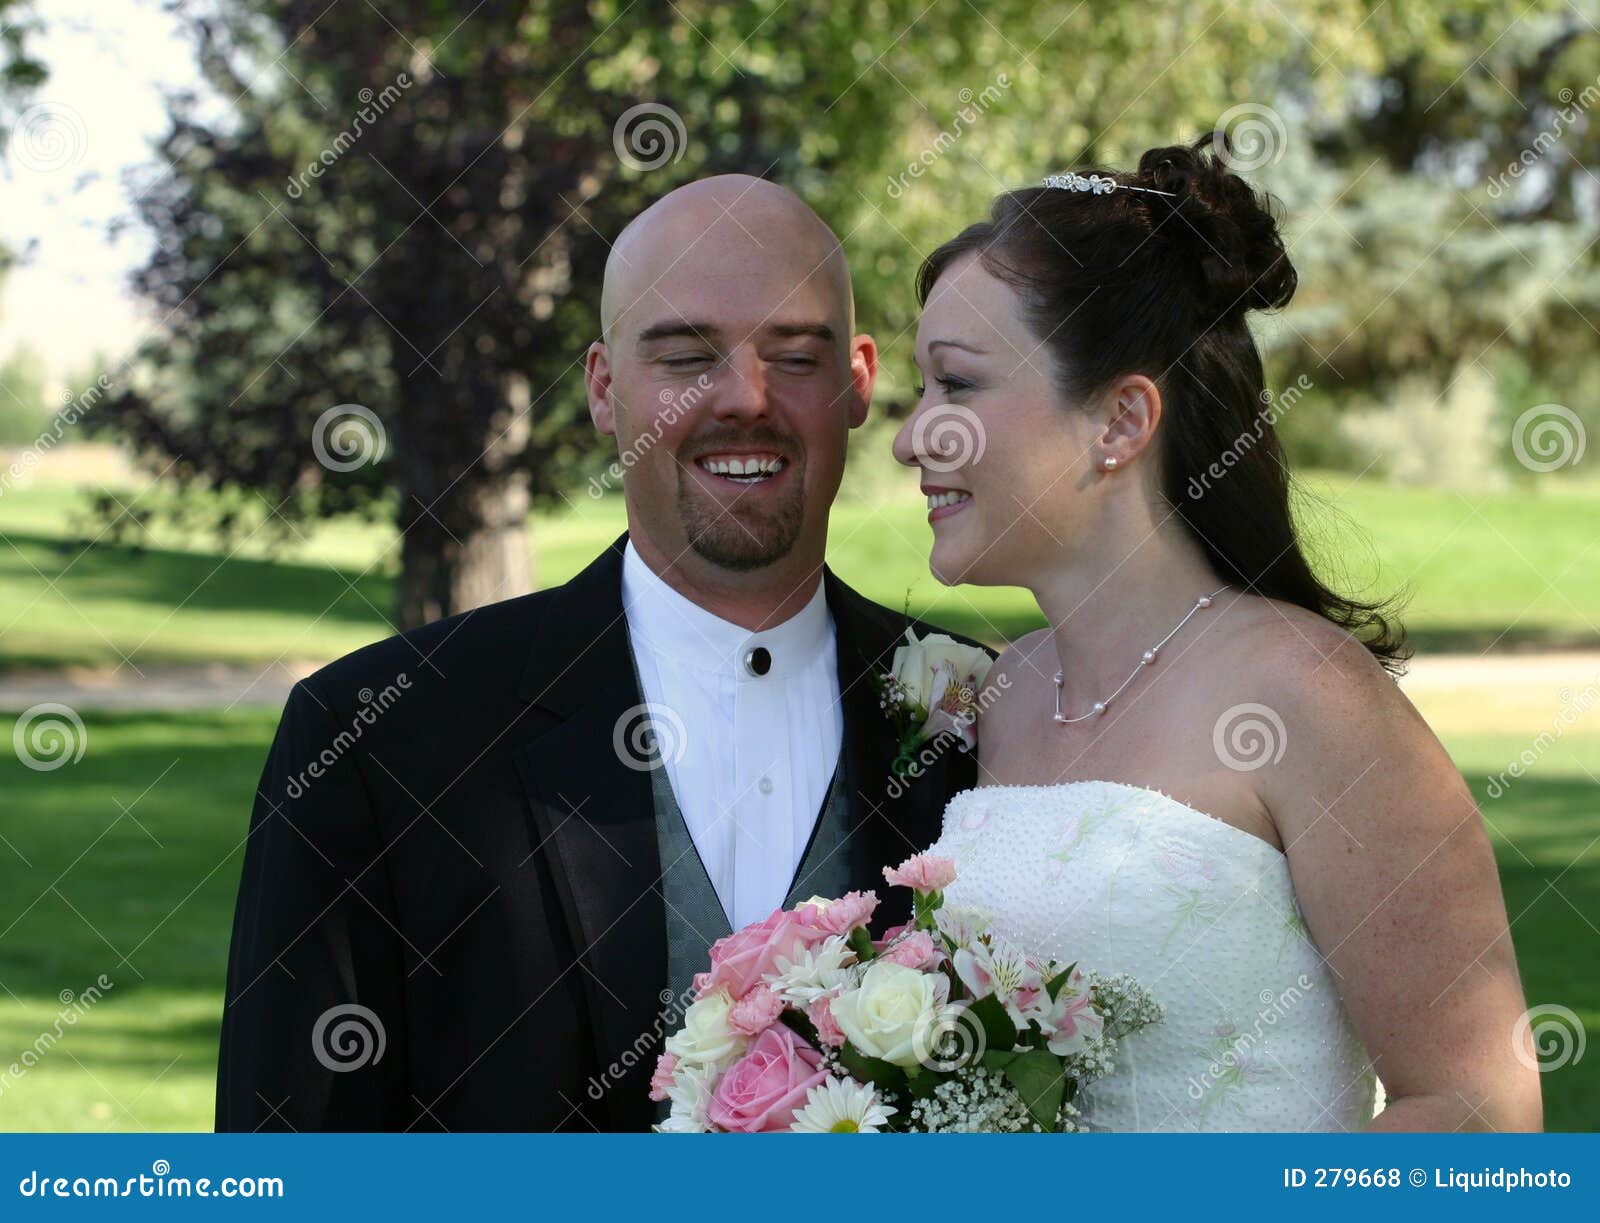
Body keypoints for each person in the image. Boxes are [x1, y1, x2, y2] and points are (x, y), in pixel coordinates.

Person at [215, 174, 989, 1132]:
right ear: (603, 388)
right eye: (684, 356)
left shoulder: (996, 720)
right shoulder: (378, 741)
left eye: (795, 356)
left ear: (860, 382)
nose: (745, 399)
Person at [893, 137, 1543, 1131]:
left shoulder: (1304, 691)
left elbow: (1477, 1112)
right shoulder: (1003, 695)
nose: (909, 435)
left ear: (1118, 420)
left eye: (957, 385)